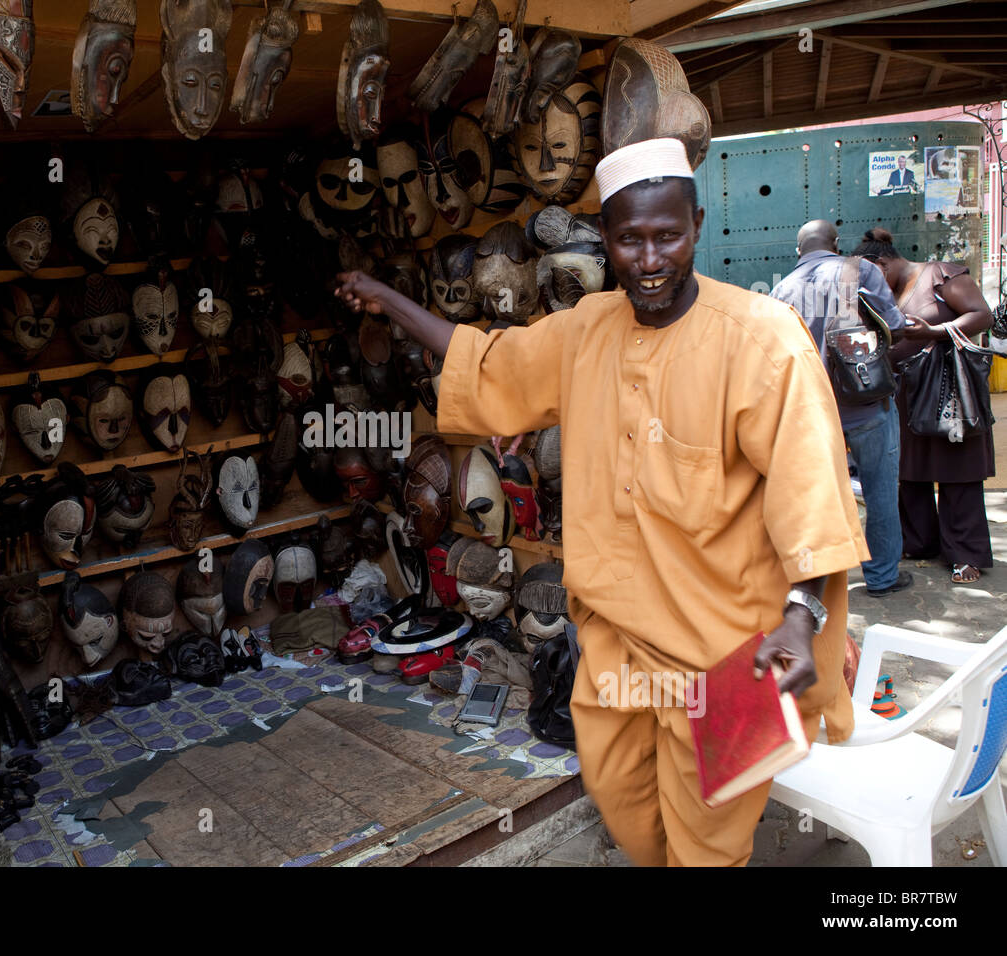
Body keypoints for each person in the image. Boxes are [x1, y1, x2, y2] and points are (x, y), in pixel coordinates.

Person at [335, 138, 866, 867]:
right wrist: (390, 301)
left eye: (668, 237)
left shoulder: (763, 340)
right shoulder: (584, 331)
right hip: (614, 648)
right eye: (630, 240)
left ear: (699, 225)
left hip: (727, 656)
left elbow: (811, 490)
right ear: (609, 240)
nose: (650, 260)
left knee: (707, 851)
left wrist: (803, 618)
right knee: (628, 812)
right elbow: (485, 363)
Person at [770, 220, 912, 596]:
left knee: (819, 497)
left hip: (814, 412)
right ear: (836, 243)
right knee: (880, 489)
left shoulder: (781, 290)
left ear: (798, 250)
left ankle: (823, 582)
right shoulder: (859, 269)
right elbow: (894, 326)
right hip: (867, 403)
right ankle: (882, 576)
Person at [852, 227, 995, 583]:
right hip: (906, 393)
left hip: (948, 389)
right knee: (910, 472)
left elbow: (982, 315)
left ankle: (964, 553)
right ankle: (919, 542)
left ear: (881, 264)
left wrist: (934, 332)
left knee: (957, 472)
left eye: (871, 276)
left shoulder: (940, 275)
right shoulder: (889, 292)